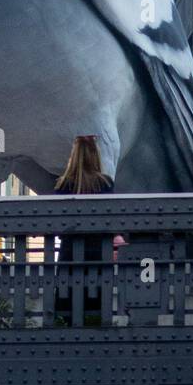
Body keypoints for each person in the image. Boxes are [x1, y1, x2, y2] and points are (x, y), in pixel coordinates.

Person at [53, 136, 117, 320]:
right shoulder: (105, 184)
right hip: (98, 251)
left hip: (69, 251)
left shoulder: (63, 185)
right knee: (97, 305)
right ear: (95, 155)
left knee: (68, 304)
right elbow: (111, 221)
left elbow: (57, 224)